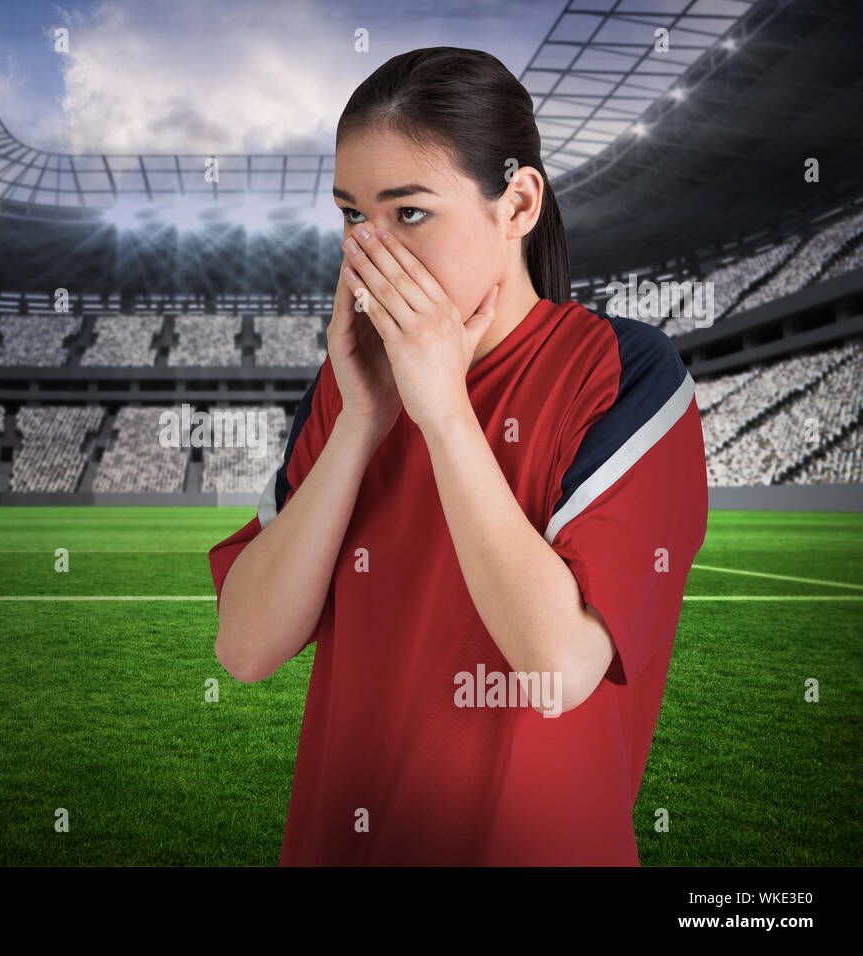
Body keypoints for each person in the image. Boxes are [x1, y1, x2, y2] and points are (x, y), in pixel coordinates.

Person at [208, 47, 708, 866]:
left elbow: (559, 663)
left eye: (409, 213)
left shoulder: (625, 373)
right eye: (351, 216)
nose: (371, 255)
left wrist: (443, 411)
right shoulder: (349, 386)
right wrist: (364, 416)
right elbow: (246, 648)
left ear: (517, 203)